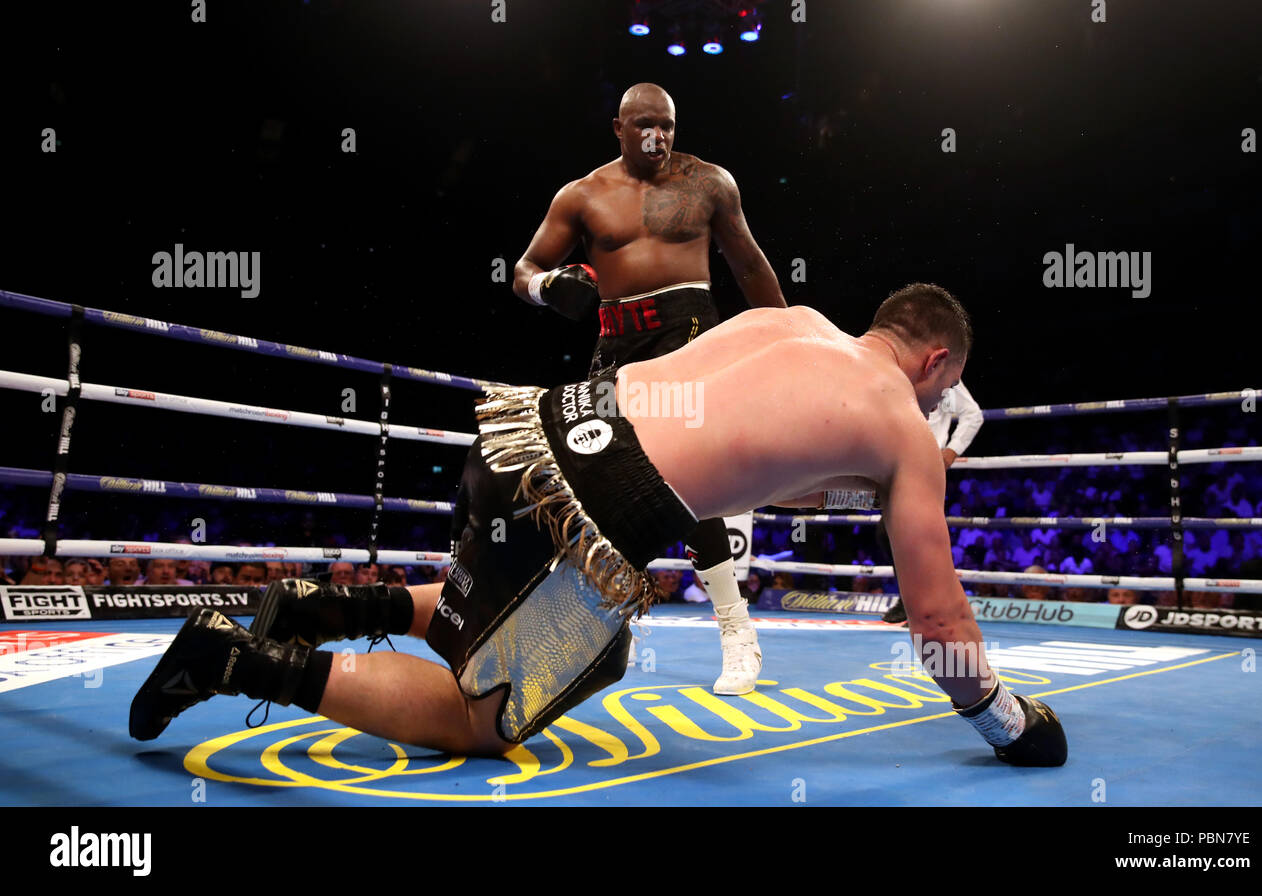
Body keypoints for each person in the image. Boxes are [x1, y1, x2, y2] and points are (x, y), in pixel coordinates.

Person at [132, 284, 1066, 767]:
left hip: (531, 435)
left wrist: (884, 481)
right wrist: (1004, 722)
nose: (940, 402)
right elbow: (939, 626)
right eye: (945, 387)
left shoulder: (801, 322)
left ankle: (316, 609)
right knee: (487, 716)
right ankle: (235, 662)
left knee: (597, 646)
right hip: (593, 511)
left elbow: (767, 463)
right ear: (936, 360)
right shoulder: (904, 424)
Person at [511, 82, 787, 697]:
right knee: (592, 480)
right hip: (615, 347)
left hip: (690, 337)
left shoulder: (708, 183)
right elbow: (522, 271)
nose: (656, 138)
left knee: (692, 478)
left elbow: (748, 263)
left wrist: (788, 337)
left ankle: (736, 630)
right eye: (643, 126)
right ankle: (584, 630)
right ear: (618, 127)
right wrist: (550, 287)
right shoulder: (581, 196)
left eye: (665, 125)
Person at [881, 379, 984, 623]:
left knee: (915, 534)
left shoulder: (945, 378)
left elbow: (973, 414)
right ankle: (914, 601)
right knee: (890, 534)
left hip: (926, 464)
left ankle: (925, 604)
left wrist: (952, 450)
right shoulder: (893, 377)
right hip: (896, 464)